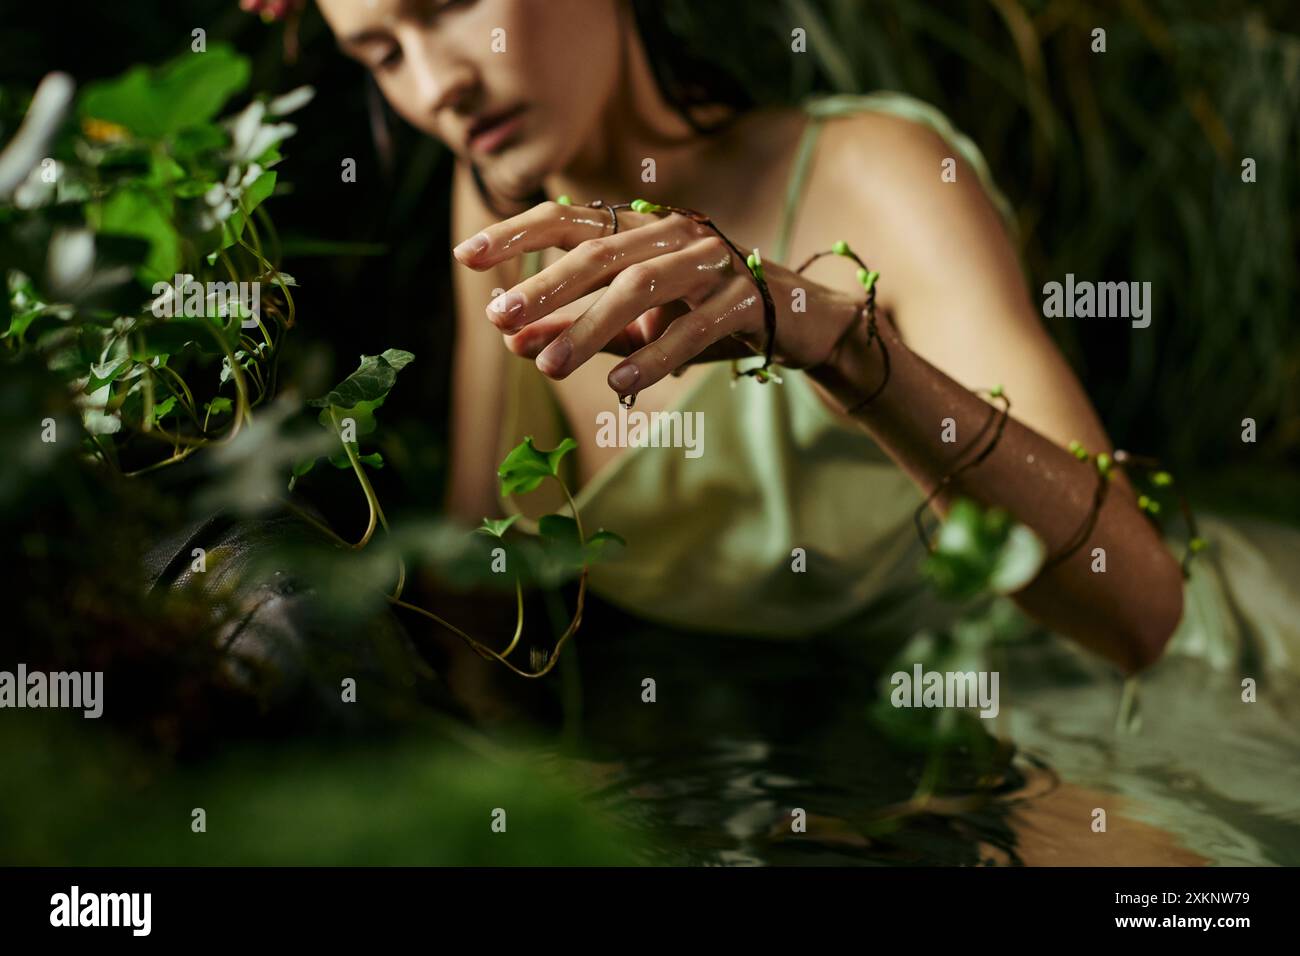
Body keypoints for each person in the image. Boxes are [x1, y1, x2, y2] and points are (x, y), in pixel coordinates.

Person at [312, 0, 1299, 681]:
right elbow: (474, 600)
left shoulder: (874, 172)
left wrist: (839, 345)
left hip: (1157, 686)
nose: (437, 83)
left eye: (445, 5)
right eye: (381, 54)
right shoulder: (506, 226)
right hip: (849, 765)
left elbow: (1134, 604)